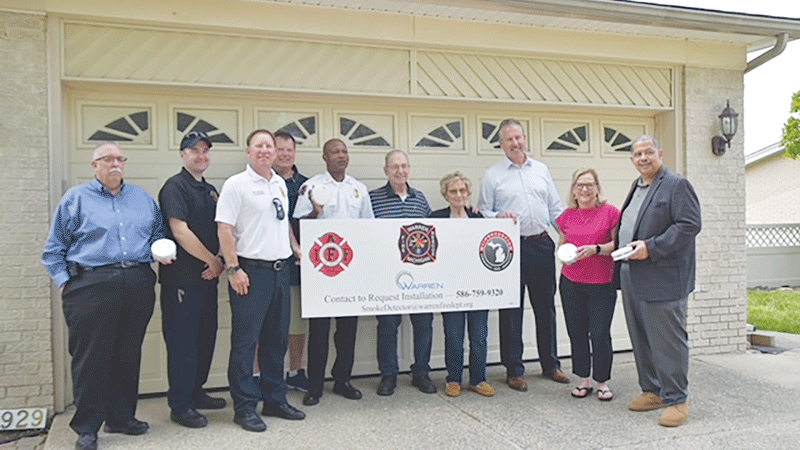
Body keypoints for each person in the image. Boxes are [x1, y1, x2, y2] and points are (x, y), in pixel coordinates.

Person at [42, 142, 166, 450]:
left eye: (119, 159)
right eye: (107, 159)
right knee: (91, 359)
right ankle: (87, 427)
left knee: (127, 352)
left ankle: (121, 418)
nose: (115, 164)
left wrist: (162, 248)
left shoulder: (142, 199)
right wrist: (65, 284)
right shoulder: (75, 199)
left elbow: (158, 233)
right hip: (90, 285)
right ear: (94, 165)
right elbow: (53, 249)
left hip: (137, 281)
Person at [216, 129, 305, 433]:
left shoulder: (279, 183)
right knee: (245, 343)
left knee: (275, 341)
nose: (266, 150)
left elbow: (281, 223)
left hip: (281, 272)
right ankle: (244, 407)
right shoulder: (236, 185)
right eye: (260, 146)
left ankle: (275, 399)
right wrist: (233, 268)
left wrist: (294, 247)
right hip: (250, 274)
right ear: (248, 151)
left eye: (271, 146)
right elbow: (225, 230)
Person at [477, 118, 569, 392]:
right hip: (510, 249)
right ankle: (514, 369)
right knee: (511, 309)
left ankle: (551, 364)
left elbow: (554, 207)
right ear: (502, 143)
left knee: (546, 308)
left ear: (525, 139)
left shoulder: (541, 169)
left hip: (541, 245)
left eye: (519, 137)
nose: (515, 143)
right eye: (509, 139)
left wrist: (566, 235)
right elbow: (483, 211)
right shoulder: (493, 175)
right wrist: (498, 215)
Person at [617, 135, 701, 427]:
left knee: (668, 341)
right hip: (632, 274)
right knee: (641, 338)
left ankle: (677, 399)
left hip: (664, 277)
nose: (643, 158)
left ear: (660, 153)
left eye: (648, 152)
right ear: (632, 159)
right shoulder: (637, 185)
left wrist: (651, 247)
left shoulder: (677, 185)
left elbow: (690, 224)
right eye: (637, 153)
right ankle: (652, 390)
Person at [293, 138, 374, 406]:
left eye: (344, 151)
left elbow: (367, 230)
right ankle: (315, 386)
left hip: (350, 271)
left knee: (347, 330)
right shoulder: (312, 187)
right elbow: (299, 227)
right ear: (324, 157)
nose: (341, 156)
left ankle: (343, 380)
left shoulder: (359, 189)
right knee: (320, 330)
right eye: (335, 152)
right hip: (321, 271)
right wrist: (315, 212)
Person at [158, 131, 227, 429]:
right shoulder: (175, 187)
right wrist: (212, 260)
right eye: (194, 150)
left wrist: (222, 260)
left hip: (209, 279)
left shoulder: (211, 190)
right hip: (183, 280)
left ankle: (197, 391)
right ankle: (181, 404)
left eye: (205, 151)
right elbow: (180, 231)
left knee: (205, 338)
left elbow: (225, 228)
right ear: (183, 155)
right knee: (183, 342)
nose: (201, 155)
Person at [369, 150, 436, 396]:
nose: (400, 171)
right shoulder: (373, 199)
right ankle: (388, 374)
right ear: (386, 170)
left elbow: (431, 232)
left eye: (404, 166)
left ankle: (422, 373)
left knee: (424, 324)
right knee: (387, 325)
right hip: (386, 274)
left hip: (420, 276)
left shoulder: (420, 199)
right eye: (395, 166)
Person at [556, 168, 620, 401]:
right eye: (580, 185)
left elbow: (618, 243)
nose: (584, 189)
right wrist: (565, 254)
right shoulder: (566, 216)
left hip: (602, 283)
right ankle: (584, 379)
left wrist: (597, 250)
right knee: (577, 332)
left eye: (589, 185)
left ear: (597, 188)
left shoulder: (610, 212)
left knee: (600, 333)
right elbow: (562, 245)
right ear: (573, 190)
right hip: (571, 282)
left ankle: (602, 381)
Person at [430, 171, 494, 398]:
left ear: (469, 194)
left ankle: (478, 379)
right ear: (445, 194)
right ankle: (454, 379)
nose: (458, 195)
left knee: (479, 336)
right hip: (449, 288)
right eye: (453, 191)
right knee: (454, 336)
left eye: (462, 191)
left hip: (477, 287)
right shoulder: (435, 218)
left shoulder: (479, 219)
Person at [273, 131, 310, 392]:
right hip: (268, 263)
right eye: (280, 149)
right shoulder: (262, 181)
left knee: (297, 322)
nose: (285, 154)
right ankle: (259, 375)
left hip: (299, 266)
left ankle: (296, 371)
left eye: (289, 150)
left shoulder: (308, 185)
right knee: (268, 324)